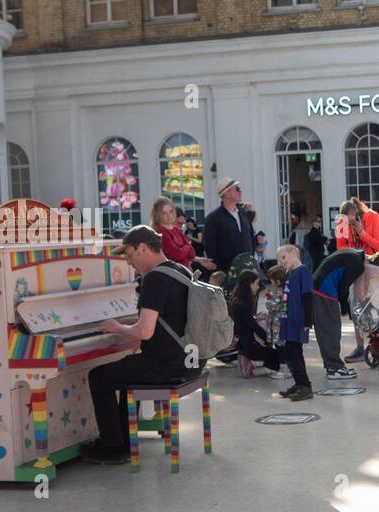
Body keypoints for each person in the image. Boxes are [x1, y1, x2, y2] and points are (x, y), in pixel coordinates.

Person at [79, 226, 191, 463]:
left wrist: (116, 327)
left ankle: (113, 447)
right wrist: (123, 322)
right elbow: (164, 317)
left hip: (164, 365)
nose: (129, 263)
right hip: (191, 361)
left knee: (100, 377)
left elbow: (144, 331)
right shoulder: (180, 271)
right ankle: (123, 442)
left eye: (129, 255)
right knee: (126, 372)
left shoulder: (154, 278)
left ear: (142, 248)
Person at [310, 248, 367, 377]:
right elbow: (344, 286)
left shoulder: (351, 252)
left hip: (319, 286)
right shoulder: (358, 264)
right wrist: (345, 309)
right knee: (331, 330)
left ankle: (333, 365)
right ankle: (334, 368)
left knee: (328, 328)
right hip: (325, 291)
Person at [274, 244, 314, 401]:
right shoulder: (290, 273)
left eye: (284, 257)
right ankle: (300, 383)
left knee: (292, 353)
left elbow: (308, 297)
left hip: (298, 321)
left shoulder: (302, 272)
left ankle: (305, 387)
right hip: (288, 320)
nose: (282, 262)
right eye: (280, 260)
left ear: (295, 252)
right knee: (292, 353)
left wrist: (307, 321)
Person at [229, 269, 285, 378]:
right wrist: (267, 340)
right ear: (249, 284)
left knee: (272, 353)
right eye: (256, 284)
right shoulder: (241, 305)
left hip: (245, 341)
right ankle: (249, 365)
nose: (259, 287)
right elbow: (253, 326)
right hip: (247, 344)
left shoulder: (240, 300)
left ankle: (252, 364)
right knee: (275, 355)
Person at [203, 178, 256, 273]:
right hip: (227, 271)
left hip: (248, 270)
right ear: (227, 194)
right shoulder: (213, 218)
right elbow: (210, 248)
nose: (240, 191)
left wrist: (252, 261)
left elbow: (251, 238)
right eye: (237, 189)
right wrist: (219, 271)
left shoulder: (243, 213)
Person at [150, 196, 198, 268]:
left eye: (171, 211)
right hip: (170, 272)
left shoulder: (176, 229)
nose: (169, 215)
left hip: (184, 270)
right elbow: (177, 255)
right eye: (164, 213)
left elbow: (192, 254)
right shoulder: (160, 232)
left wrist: (183, 250)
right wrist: (187, 247)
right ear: (158, 215)